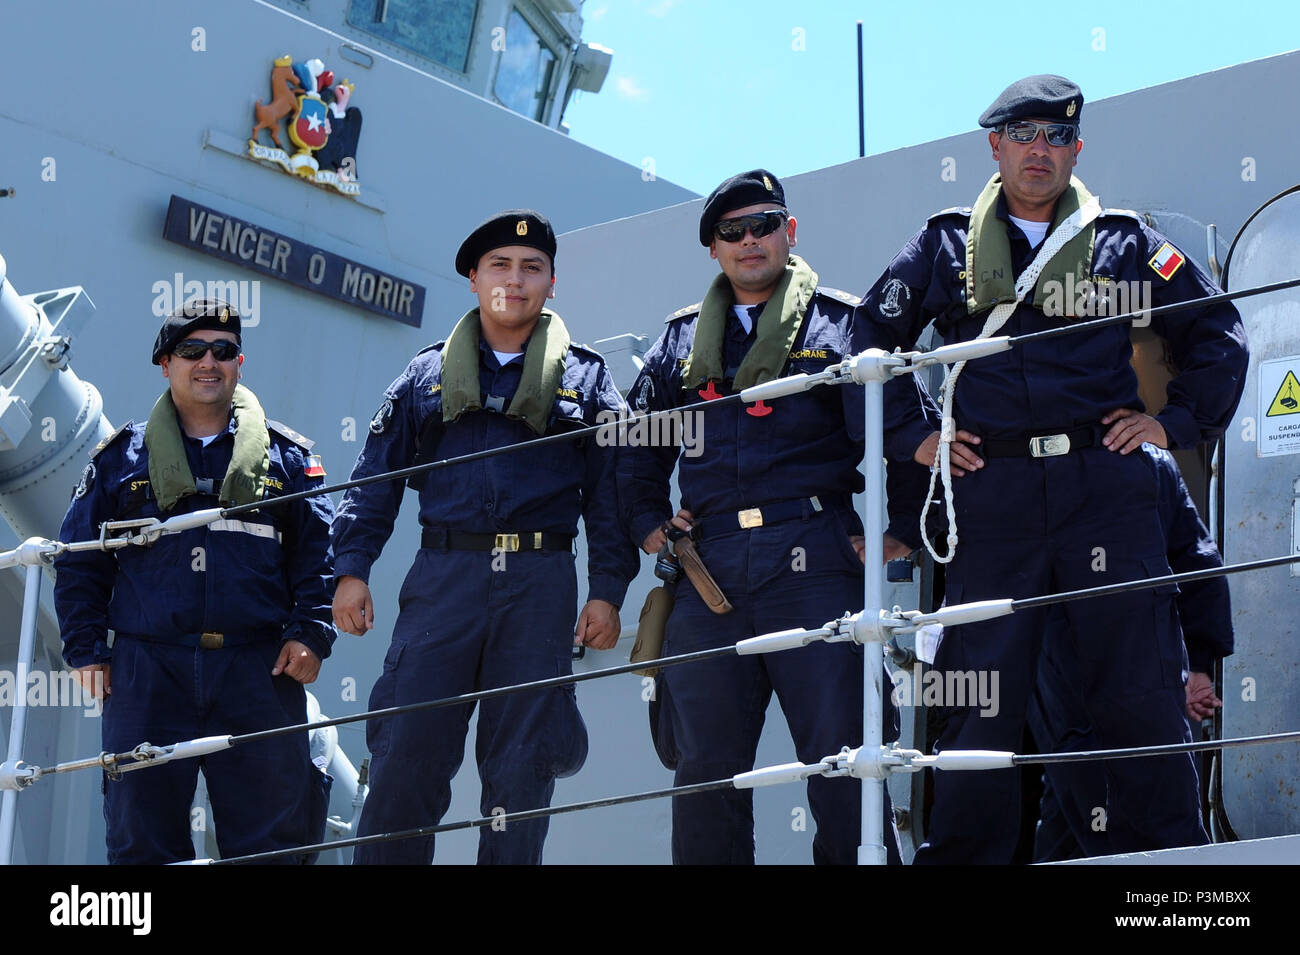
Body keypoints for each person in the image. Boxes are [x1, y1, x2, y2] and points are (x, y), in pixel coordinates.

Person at [862, 75, 1248, 863]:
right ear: (994, 145)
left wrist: (1169, 424)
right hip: (992, 493)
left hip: (1104, 486)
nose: (1040, 151)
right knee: (981, 702)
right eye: (1024, 135)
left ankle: (1175, 879)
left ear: (1077, 148)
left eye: (1056, 137)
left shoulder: (1126, 241)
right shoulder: (942, 247)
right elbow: (870, 341)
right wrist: (917, 435)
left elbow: (1218, 330)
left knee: (1139, 695)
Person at [620, 170, 932, 865]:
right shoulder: (677, 345)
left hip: (815, 560)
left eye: (764, 224)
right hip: (709, 573)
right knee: (704, 769)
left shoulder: (847, 325)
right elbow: (636, 458)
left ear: (790, 231)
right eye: (732, 231)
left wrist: (899, 534)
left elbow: (908, 437)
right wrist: (649, 527)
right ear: (713, 249)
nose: (749, 240)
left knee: (844, 759)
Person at [331, 209, 637, 865]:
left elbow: (611, 496)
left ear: (551, 283)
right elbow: (375, 476)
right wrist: (352, 568)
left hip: (539, 587)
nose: (515, 280)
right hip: (444, 580)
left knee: (520, 778)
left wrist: (607, 589)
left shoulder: (587, 381)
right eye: (500, 265)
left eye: (532, 268)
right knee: (403, 757)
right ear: (474, 278)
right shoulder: (424, 377)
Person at [54, 299, 335, 865]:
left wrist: (312, 633)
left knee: (270, 843)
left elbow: (321, 554)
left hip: (258, 672)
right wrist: (86, 652)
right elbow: (80, 561)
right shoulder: (119, 463)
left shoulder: (287, 460)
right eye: (192, 350)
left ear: (238, 363)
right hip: (147, 673)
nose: (209, 362)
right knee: (140, 837)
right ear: (165, 363)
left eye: (223, 351)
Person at [1029, 445, 1232, 861]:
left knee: (1089, 800)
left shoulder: (1027, 455)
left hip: (1070, 668)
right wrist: (1199, 663)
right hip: (1129, 668)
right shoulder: (1151, 461)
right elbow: (1198, 561)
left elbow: (1197, 562)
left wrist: (1197, 662)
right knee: (1098, 804)